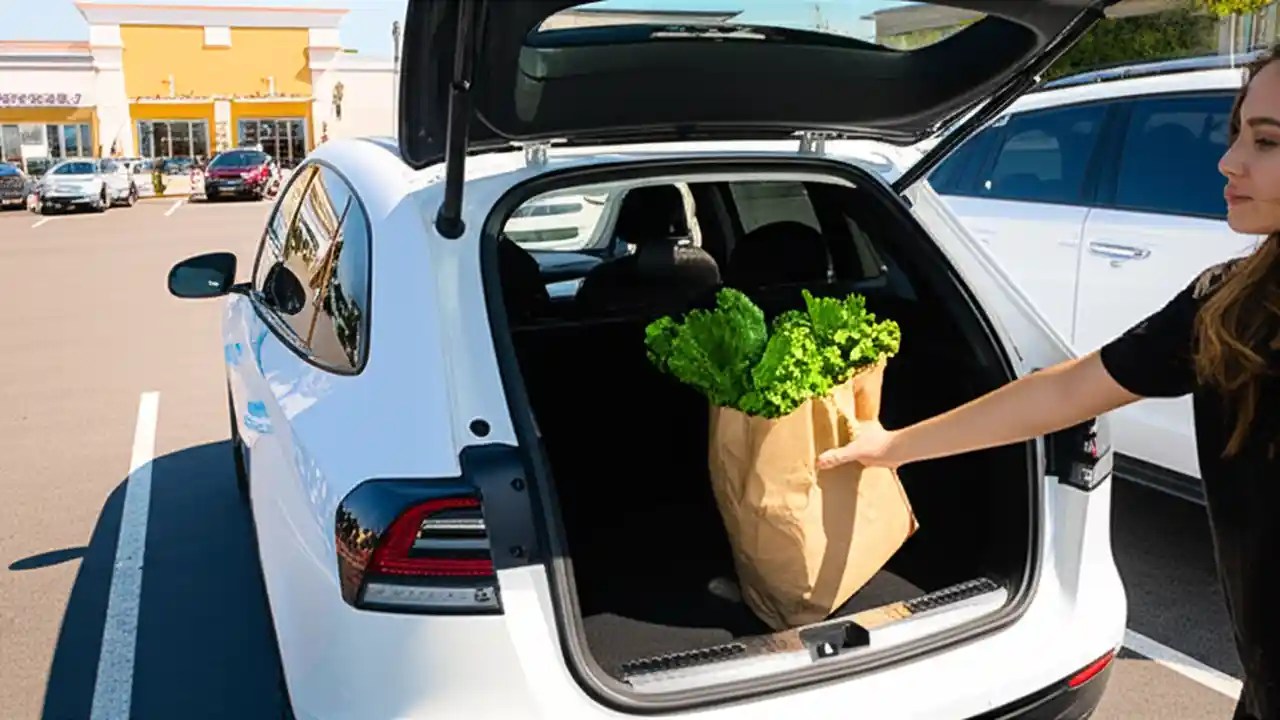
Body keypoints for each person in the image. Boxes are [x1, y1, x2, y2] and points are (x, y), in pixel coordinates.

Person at [817, 48, 1280, 720]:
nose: (1227, 161)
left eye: (1266, 141)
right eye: (1238, 131)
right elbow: (1066, 392)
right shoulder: (1228, 308)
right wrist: (892, 446)